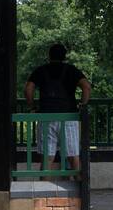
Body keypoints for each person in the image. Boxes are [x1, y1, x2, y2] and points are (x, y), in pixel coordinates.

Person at [24, 43, 91, 171]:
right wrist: (82, 105)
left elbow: (28, 89)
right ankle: (78, 187)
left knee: (47, 159)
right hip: (69, 117)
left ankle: (43, 189)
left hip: (46, 117)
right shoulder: (71, 70)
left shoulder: (41, 70)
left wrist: (32, 106)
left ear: (49, 56)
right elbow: (86, 87)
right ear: (64, 56)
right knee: (73, 156)